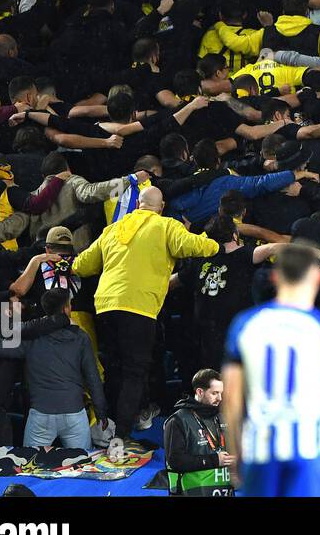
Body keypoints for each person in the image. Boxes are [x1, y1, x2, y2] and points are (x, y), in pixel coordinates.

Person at [73, 186, 220, 441]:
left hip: (106, 307)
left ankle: (105, 430)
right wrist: (215, 241)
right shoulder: (166, 226)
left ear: (138, 205)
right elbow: (197, 246)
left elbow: (81, 265)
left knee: (114, 369)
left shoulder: (114, 229)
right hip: (138, 308)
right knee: (134, 373)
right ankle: (121, 438)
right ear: (161, 207)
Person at [222, 245, 320, 497]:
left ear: (275, 277)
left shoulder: (245, 324)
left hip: (261, 450)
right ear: (318, 277)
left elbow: (231, 397)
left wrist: (237, 450)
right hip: (310, 451)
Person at [0, 288, 109, 450]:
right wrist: (101, 412)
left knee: (31, 466)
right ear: (66, 309)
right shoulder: (81, 338)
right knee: (80, 467)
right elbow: (92, 378)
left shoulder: (32, 339)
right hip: (74, 414)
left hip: (41, 416)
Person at [164, 367, 235, 496]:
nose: (220, 398)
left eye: (221, 393)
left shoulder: (223, 416)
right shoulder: (178, 421)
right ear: (200, 392)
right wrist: (214, 460)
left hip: (225, 490)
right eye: (214, 393)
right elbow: (175, 460)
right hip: (190, 492)